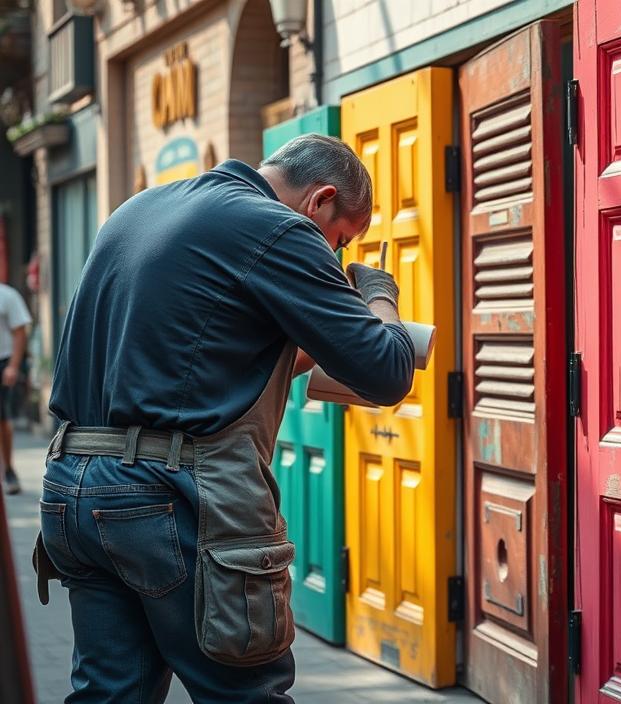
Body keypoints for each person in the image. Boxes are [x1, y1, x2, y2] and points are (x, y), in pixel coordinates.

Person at [34, 134, 414, 703]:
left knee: (109, 693)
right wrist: (377, 297)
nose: (332, 258)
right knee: (244, 693)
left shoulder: (141, 208)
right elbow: (386, 370)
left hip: (74, 490)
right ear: (320, 200)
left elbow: (211, 358)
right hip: (169, 499)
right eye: (339, 241)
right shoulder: (277, 228)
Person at [0, 280, 31, 495]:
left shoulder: (7, 296)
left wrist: (13, 366)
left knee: (2, 419)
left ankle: (9, 469)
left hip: (2, 362)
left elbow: (20, 331)